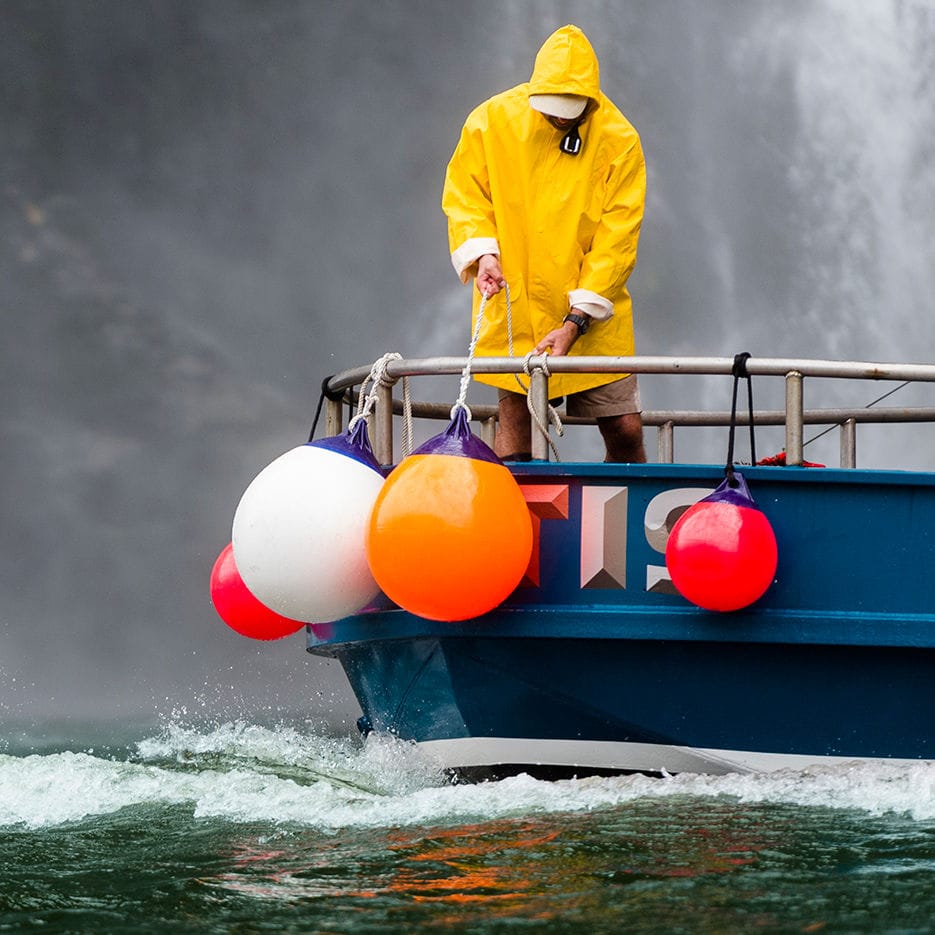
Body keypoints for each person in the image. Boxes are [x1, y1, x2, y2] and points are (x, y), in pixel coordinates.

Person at [442, 24, 647, 463]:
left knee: (625, 428)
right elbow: (465, 196)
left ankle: (635, 515)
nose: (559, 118)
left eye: (569, 111)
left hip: (592, 318)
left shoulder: (619, 141)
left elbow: (617, 242)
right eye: (551, 109)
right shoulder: (491, 121)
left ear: (590, 102)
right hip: (514, 303)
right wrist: (483, 254)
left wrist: (576, 321)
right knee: (515, 428)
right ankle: (514, 526)